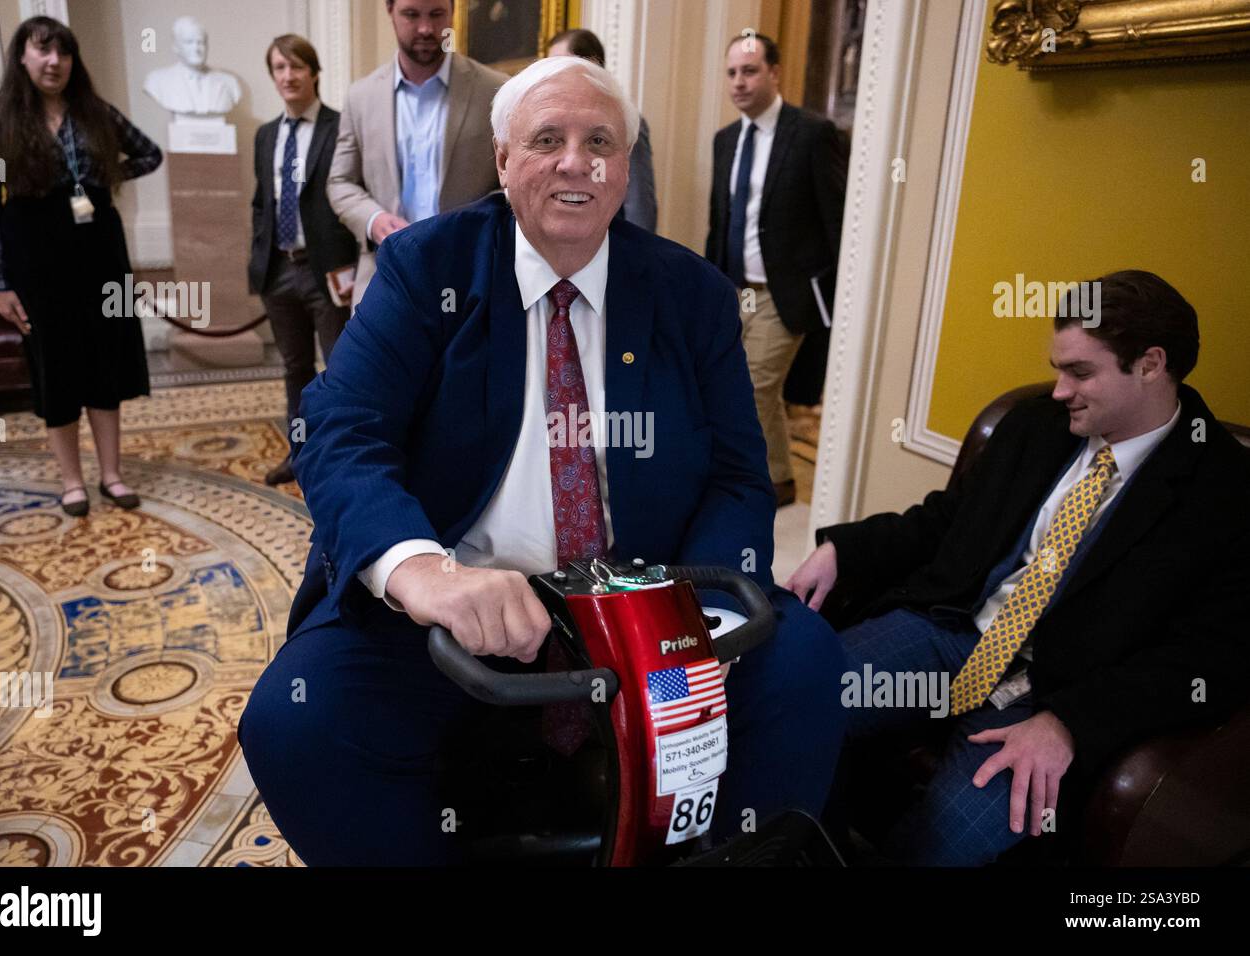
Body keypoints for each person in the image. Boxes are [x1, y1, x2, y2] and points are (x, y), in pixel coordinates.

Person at [239, 55, 847, 865]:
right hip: (466, 609)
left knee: (803, 662)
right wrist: (427, 575)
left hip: (645, 615)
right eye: (547, 139)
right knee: (294, 720)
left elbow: (739, 473)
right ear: (501, 160)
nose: (575, 161)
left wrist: (697, 621)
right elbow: (340, 431)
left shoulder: (690, 294)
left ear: (624, 167)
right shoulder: (428, 269)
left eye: (600, 140)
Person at [787, 270, 1250, 865]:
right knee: (793, 702)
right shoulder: (1036, 424)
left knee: (947, 842)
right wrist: (844, 550)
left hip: (1052, 689)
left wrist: (1071, 723)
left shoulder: (1224, 493)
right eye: (1058, 368)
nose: (1059, 390)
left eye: (1080, 373)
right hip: (953, 635)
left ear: (1151, 364)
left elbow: (1209, 657)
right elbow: (948, 519)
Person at [0, 16, 162, 516]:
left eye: (64, 53)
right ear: (23, 57)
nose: (55, 62)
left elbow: (149, 153)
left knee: (105, 362)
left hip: (100, 253)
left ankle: (112, 475)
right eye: (43, 51)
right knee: (55, 368)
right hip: (34, 256)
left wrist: (105, 173)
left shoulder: (93, 111)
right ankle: (72, 481)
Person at [705, 33, 845, 507]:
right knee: (736, 384)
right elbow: (719, 220)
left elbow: (837, 219)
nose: (739, 82)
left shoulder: (810, 133)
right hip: (734, 288)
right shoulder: (725, 140)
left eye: (750, 71)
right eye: (731, 73)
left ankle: (774, 482)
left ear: (774, 73)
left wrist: (834, 296)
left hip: (785, 294)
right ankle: (763, 471)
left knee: (756, 383)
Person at [327, 0, 506, 307]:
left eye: (436, 14)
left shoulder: (496, 90)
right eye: (411, 15)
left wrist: (466, 229)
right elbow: (340, 181)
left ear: (452, 13)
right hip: (383, 278)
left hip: (470, 279)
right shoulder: (361, 96)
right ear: (390, 13)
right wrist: (374, 219)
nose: (425, 28)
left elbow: (512, 183)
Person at [249, 35, 358, 487]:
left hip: (328, 270)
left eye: (297, 67)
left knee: (339, 370)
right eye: (279, 68)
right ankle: (299, 453)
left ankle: (339, 458)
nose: (288, 77)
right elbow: (263, 202)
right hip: (279, 269)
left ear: (314, 72)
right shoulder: (266, 134)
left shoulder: (340, 126)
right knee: (294, 369)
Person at [547, 28, 658, 232]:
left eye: (561, 65)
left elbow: (639, 203)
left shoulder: (624, 121)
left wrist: (636, 258)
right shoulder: (547, 123)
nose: (551, 75)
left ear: (591, 67)